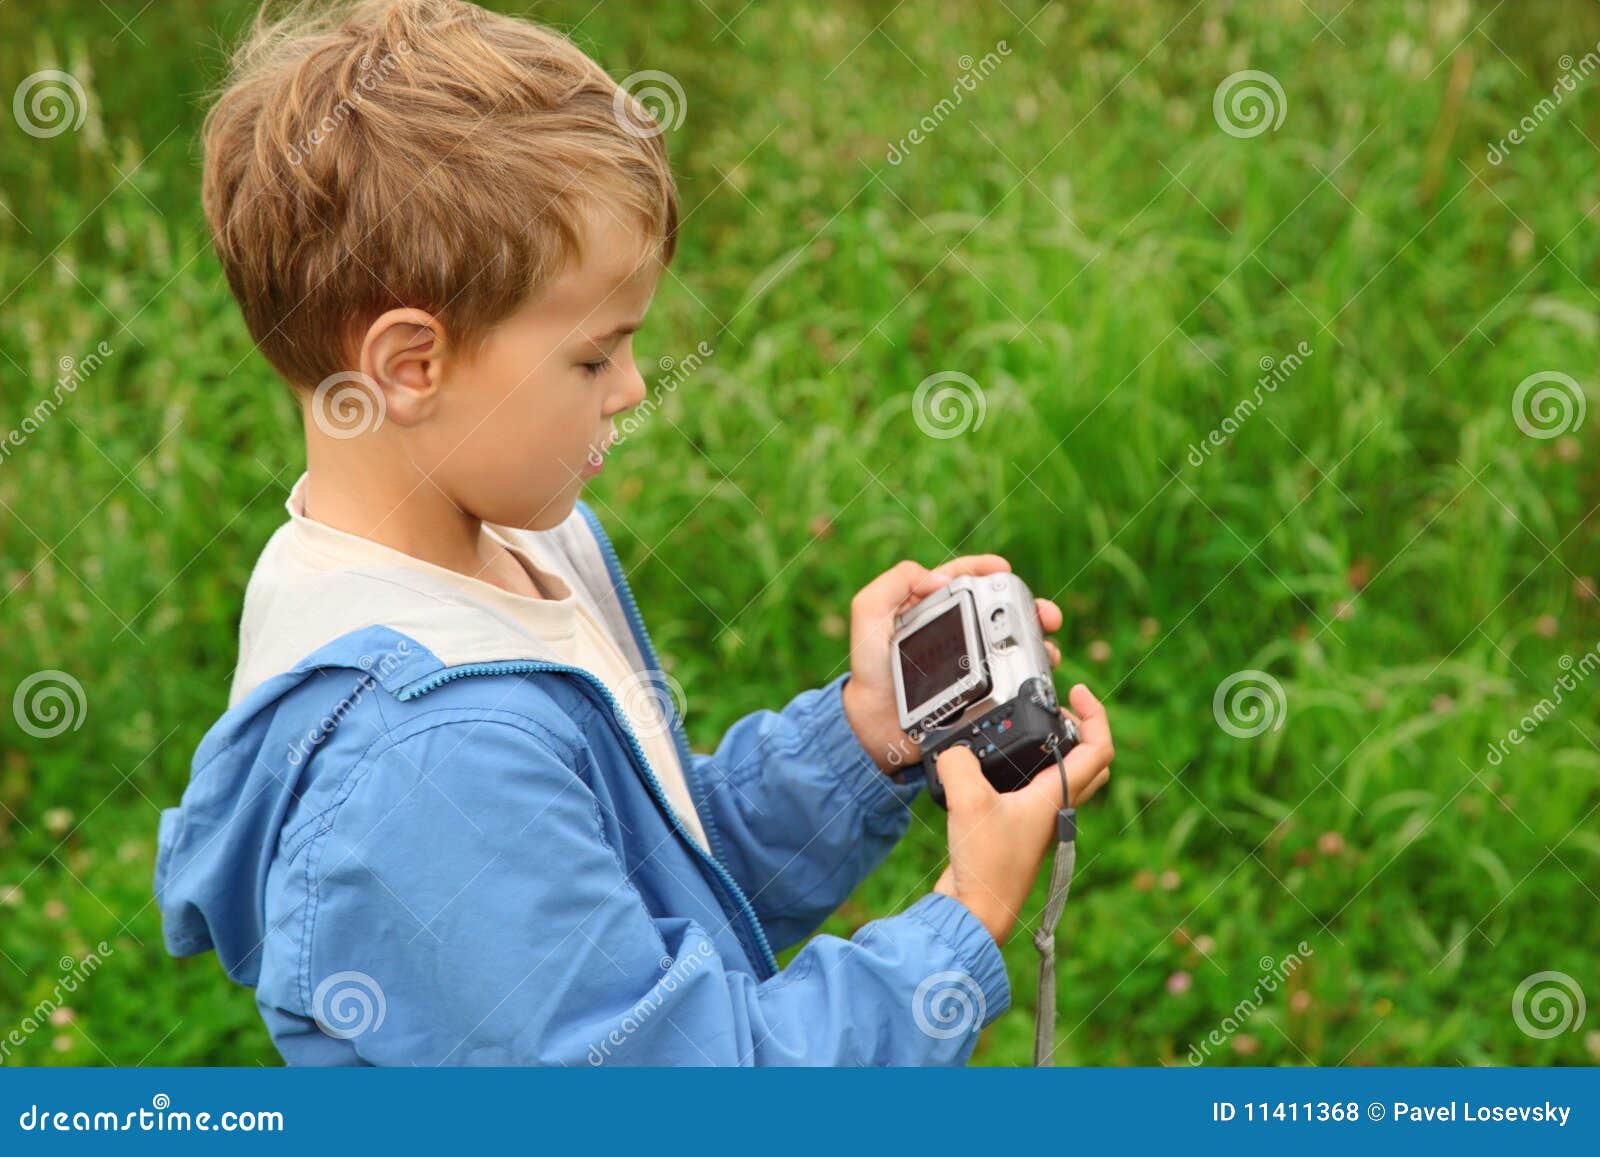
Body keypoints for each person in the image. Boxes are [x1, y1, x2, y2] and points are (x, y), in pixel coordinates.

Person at [154, 0, 1114, 1066]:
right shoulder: (428, 759)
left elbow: (646, 881)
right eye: (593, 354)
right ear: (410, 363)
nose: (632, 387)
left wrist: (857, 739)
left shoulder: (507, 552)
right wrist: (965, 912)